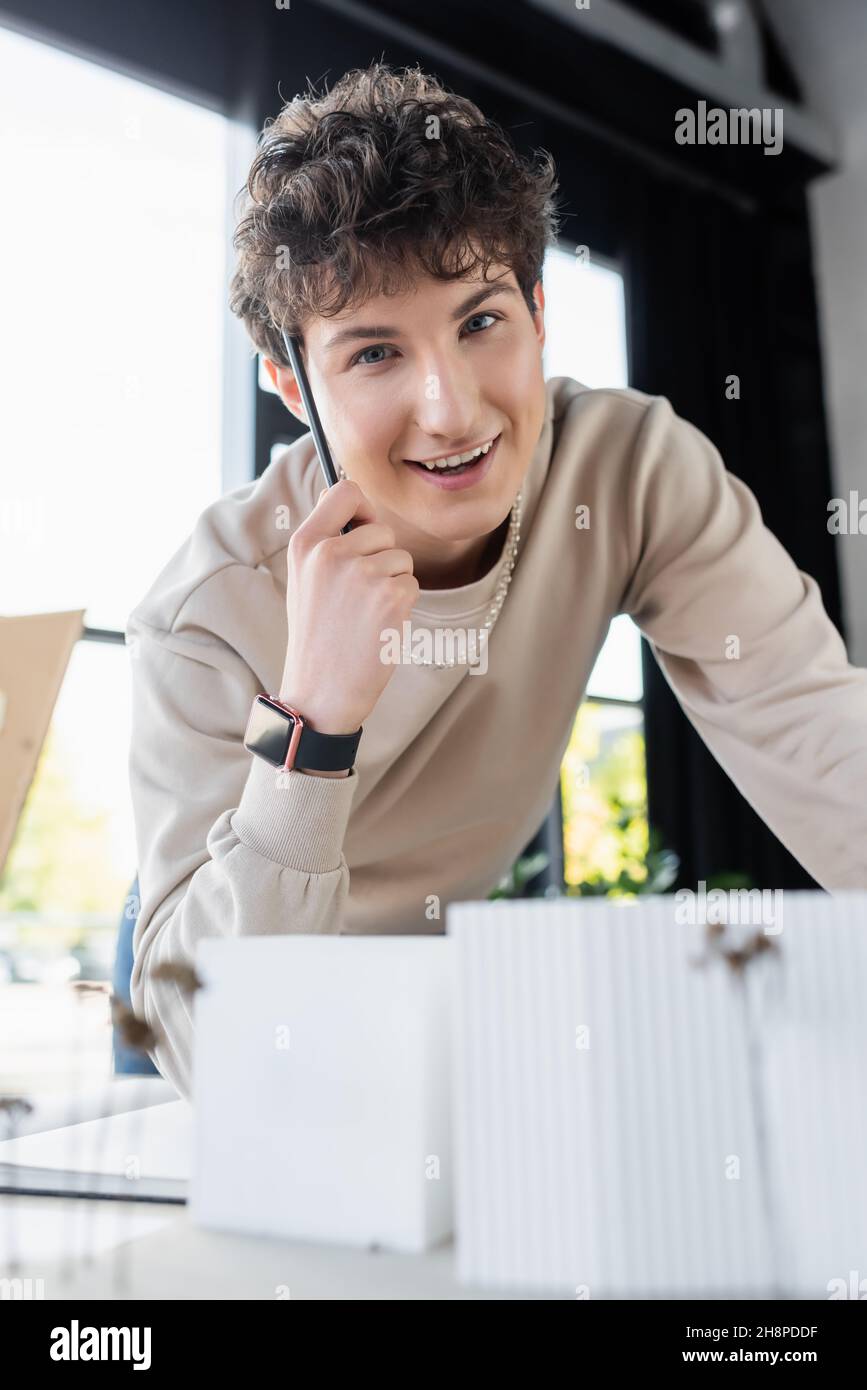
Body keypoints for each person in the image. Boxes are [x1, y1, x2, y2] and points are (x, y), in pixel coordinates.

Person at [127, 61, 867, 1100]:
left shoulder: (629, 471)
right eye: (376, 353)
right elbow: (213, 1040)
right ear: (292, 384)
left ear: (538, 309)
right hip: (226, 992)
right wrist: (315, 721)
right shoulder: (207, 612)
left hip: (438, 1011)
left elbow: (825, 745)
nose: (453, 410)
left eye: (480, 322)